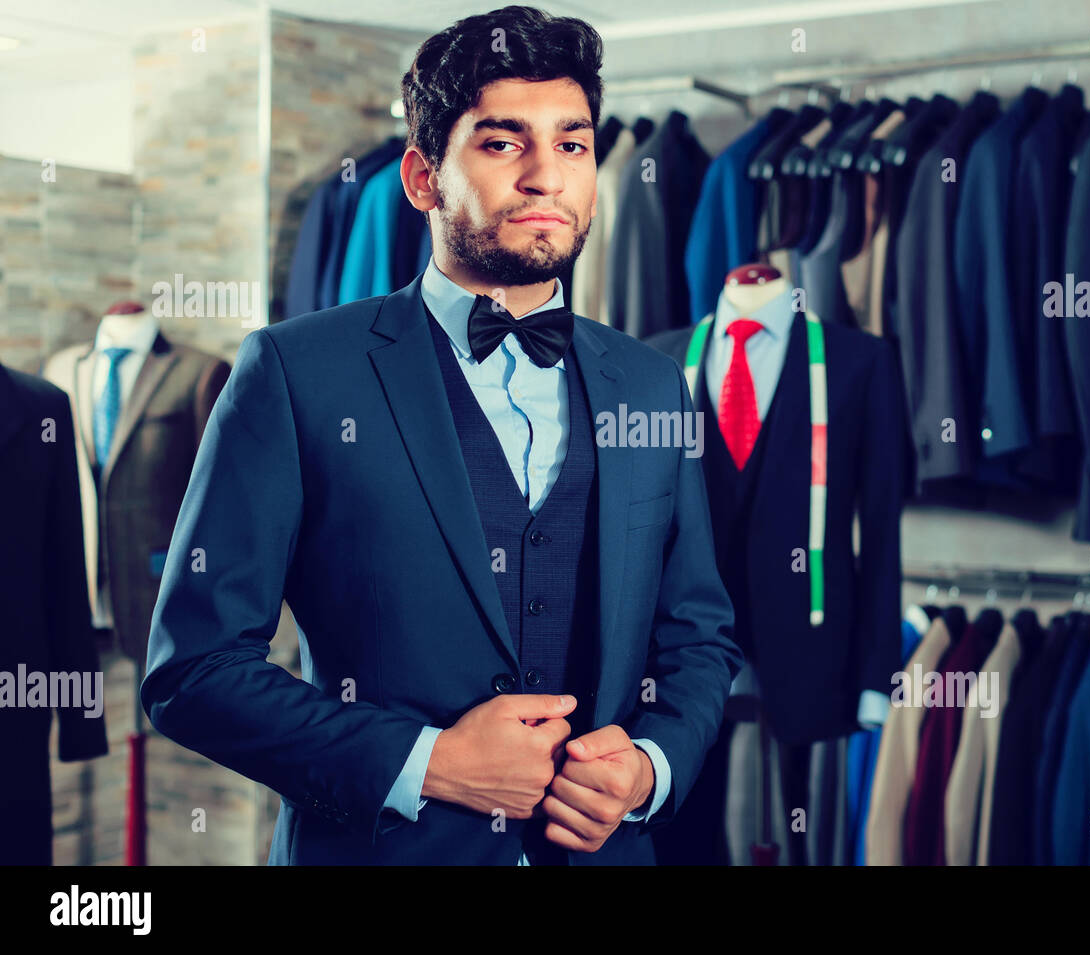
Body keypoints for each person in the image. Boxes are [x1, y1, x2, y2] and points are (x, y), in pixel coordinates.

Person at [139, 4, 742, 865]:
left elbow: (698, 635)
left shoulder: (651, 382)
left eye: (572, 144)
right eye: (502, 143)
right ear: (423, 179)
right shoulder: (296, 371)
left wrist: (651, 766)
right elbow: (193, 669)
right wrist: (427, 763)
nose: (546, 176)